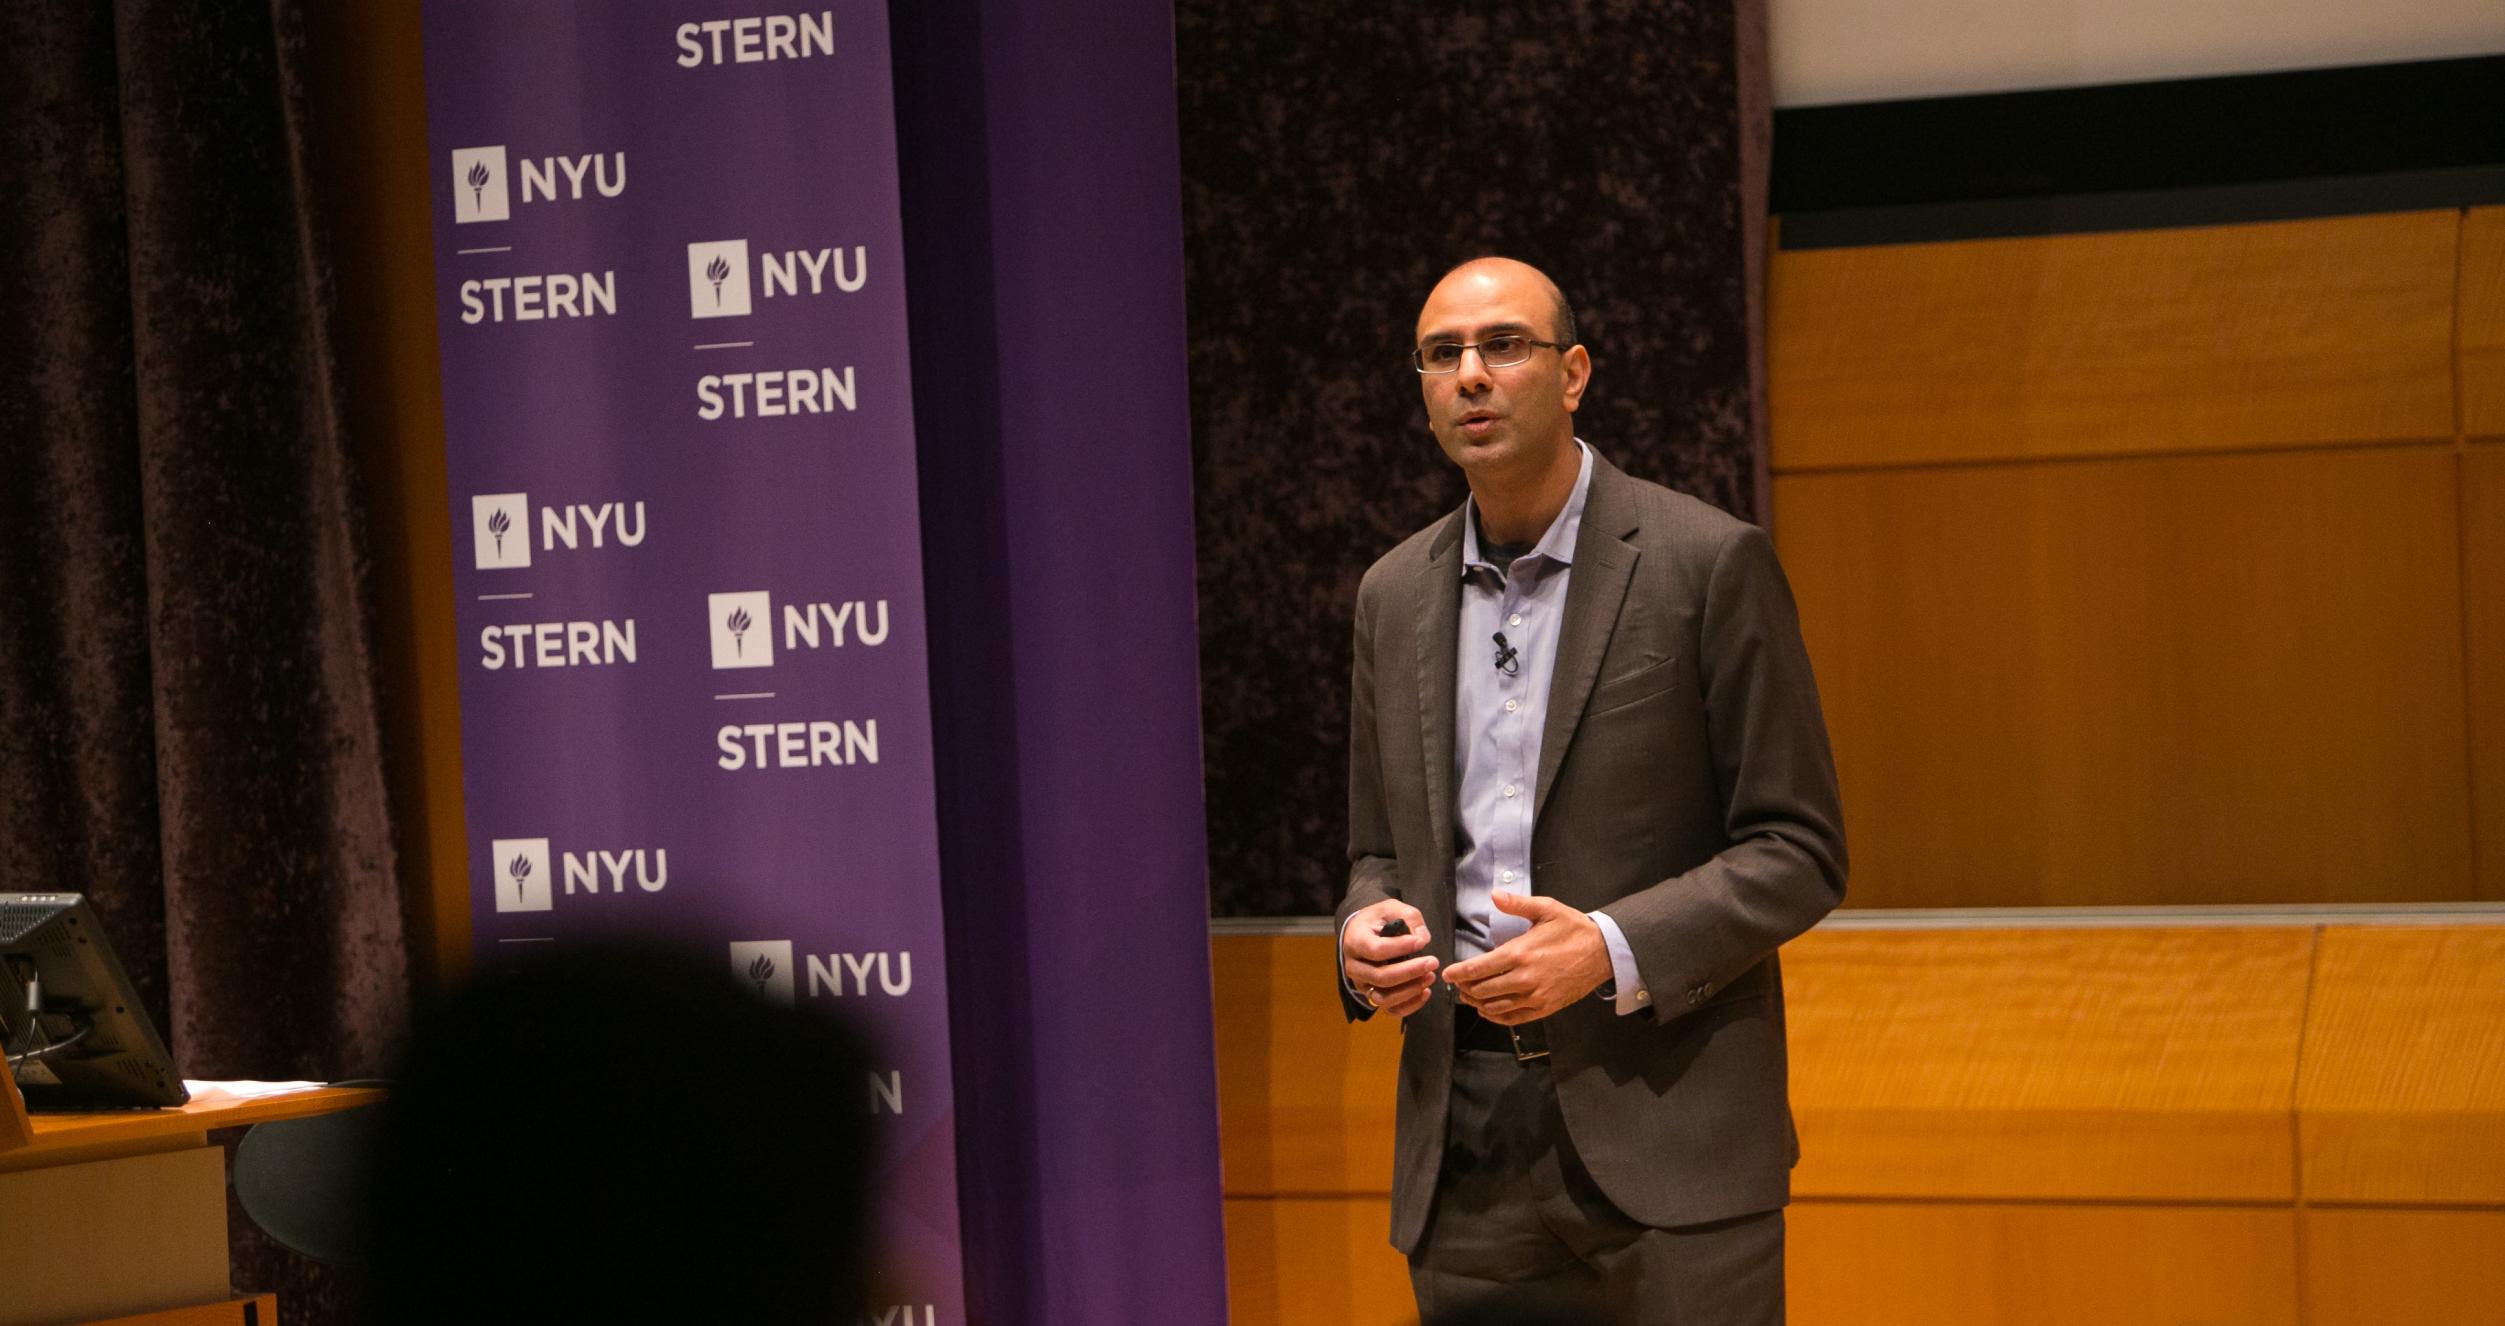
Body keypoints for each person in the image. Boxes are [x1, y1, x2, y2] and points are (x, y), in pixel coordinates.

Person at [1336, 257, 1847, 1324]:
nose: (1471, 374)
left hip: (1670, 1127)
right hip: (1466, 1145)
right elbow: (1377, 851)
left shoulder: (1706, 562)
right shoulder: (1392, 597)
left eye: (1503, 346)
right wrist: (1364, 929)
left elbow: (1798, 848)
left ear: (1573, 375)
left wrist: (1608, 948)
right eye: (1443, 355)